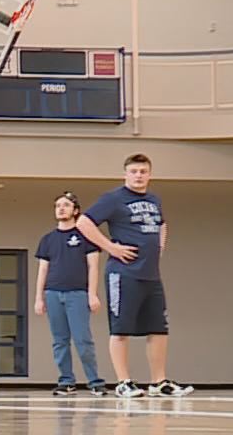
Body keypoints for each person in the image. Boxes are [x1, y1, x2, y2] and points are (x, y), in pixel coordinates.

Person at [73, 153, 193, 398]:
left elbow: (162, 225)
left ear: (150, 174)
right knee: (121, 329)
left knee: (158, 329)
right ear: (125, 174)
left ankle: (159, 381)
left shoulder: (154, 199)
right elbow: (83, 222)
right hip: (123, 273)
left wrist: (159, 248)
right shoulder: (113, 198)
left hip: (151, 274)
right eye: (134, 171)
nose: (139, 176)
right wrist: (111, 247)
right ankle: (124, 381)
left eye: (143, 171)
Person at [34, 193, 107, 397]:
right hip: (53, 293)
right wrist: (39, 298)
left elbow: (93, 267)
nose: (61, 208)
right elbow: (43, 270)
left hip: (78, 294)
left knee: (83, 339)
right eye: (58, 205)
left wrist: (92, 294)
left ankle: (94, 381)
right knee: (59, 340)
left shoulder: (86, 237)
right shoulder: (47, 240)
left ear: (75, 210)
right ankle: (66, 381)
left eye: (66, 205)